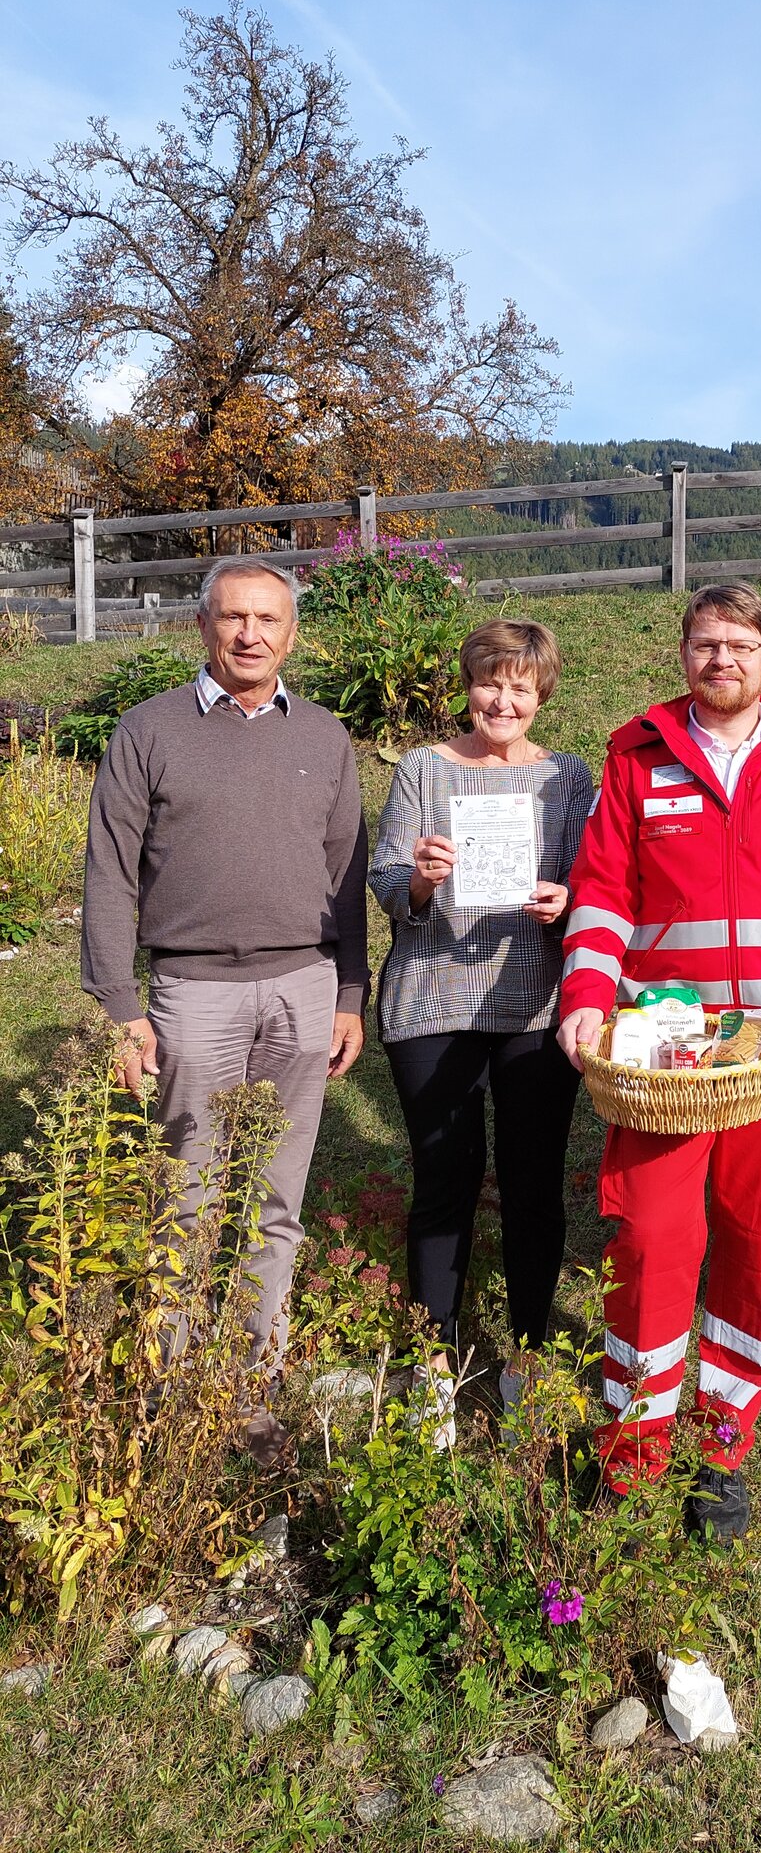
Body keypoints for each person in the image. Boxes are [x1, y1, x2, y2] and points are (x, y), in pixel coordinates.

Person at [557, 581, 761, 1543]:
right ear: (683, 654)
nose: (721, 658)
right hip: (662, 1053)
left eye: (740, 643)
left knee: (754, 1241)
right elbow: (603, 891)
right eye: (704, 643)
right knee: (649, 1239)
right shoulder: (636, 752)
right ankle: (635, 1445)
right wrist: (585, 1001)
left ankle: (720, 1446)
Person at [81, 557, 369, 1467]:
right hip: (191, 991)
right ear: (203, 625)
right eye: (233, 617)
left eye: (268, 620)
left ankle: (253, 1382)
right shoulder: (150, 730)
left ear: (292, 633)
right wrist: (123, 1007)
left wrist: (351, 991)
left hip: (302, 988)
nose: (250, 634)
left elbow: (347, 876)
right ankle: (175, 1389)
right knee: (187, 1195)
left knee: (276, 1197)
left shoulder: (323, 736)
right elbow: (109, 876)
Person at [368, 620, 592, 1444]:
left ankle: (526, 1354)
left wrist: (566, 902)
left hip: (533, 1003)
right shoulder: (425, 770)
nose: (503, 700)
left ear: (541, 696)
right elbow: (388, 880)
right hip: (433, 1002)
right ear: (468, 687)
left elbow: (593, 883)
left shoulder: (570, 779)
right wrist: (421, 883)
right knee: (443, 1179)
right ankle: (434, 1363)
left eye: (520, 688)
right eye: (490, 684)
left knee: (534, 1184)